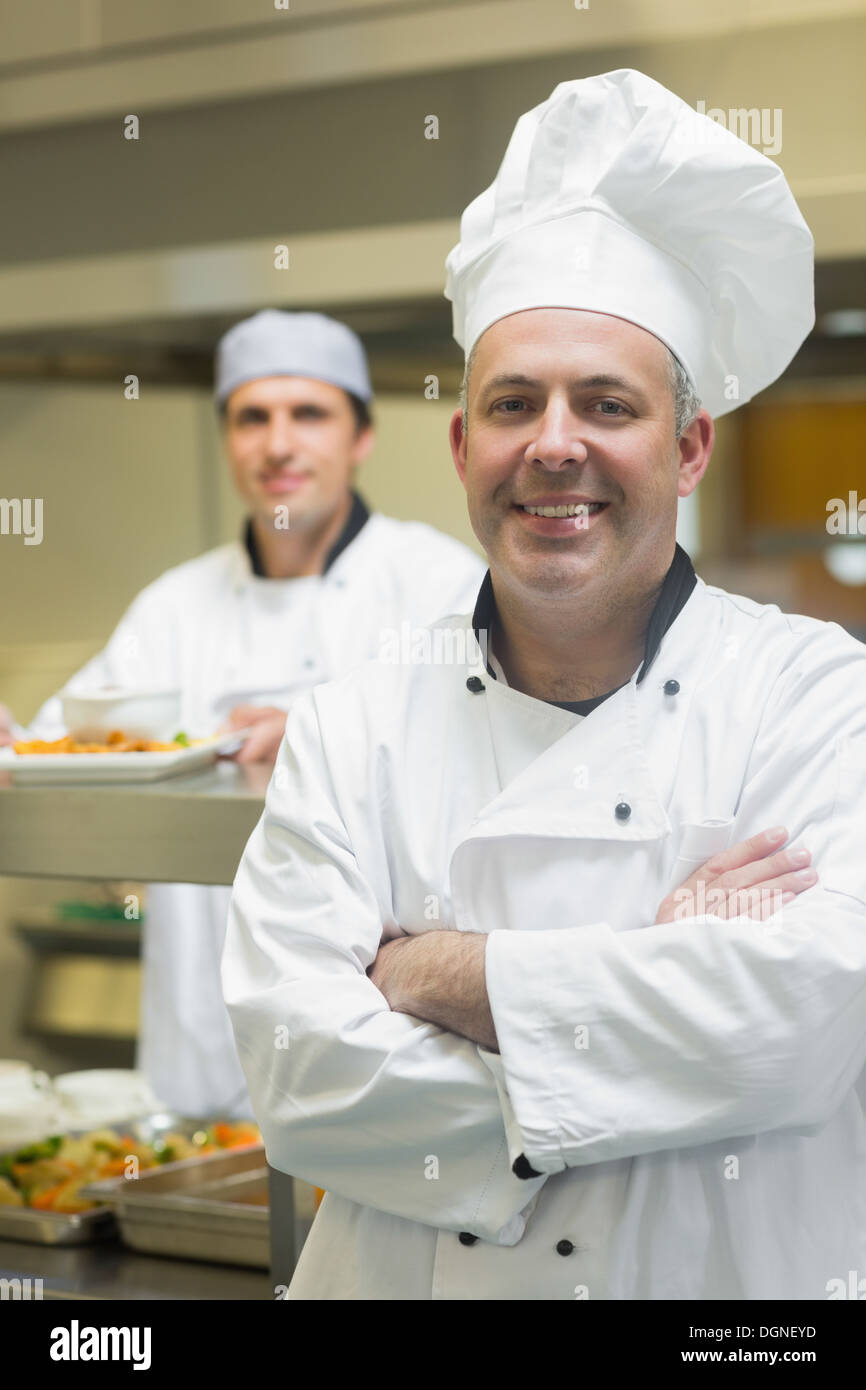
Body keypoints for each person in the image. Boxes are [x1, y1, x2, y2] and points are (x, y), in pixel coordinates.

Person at [222, 72, 866, 1298]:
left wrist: (429, 975)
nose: (552, 444)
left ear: (685, 447)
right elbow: (300, 1083)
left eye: (606, 404)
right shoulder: (356, 715)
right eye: (511, 403)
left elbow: (790, 1042)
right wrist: (648, 976)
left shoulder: (816, 696)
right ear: (463, 447)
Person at [1, 309, 485, 1117]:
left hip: (377, 1051)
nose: (279, 444)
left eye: (309, 414)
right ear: (227, 437)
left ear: (360, 436)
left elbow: (490, 775)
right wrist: (13, 741)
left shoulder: (437, 586)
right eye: (252, 417)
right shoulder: (176, 605)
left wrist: (329, 739)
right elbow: (62, 749)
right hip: (199, 1046)